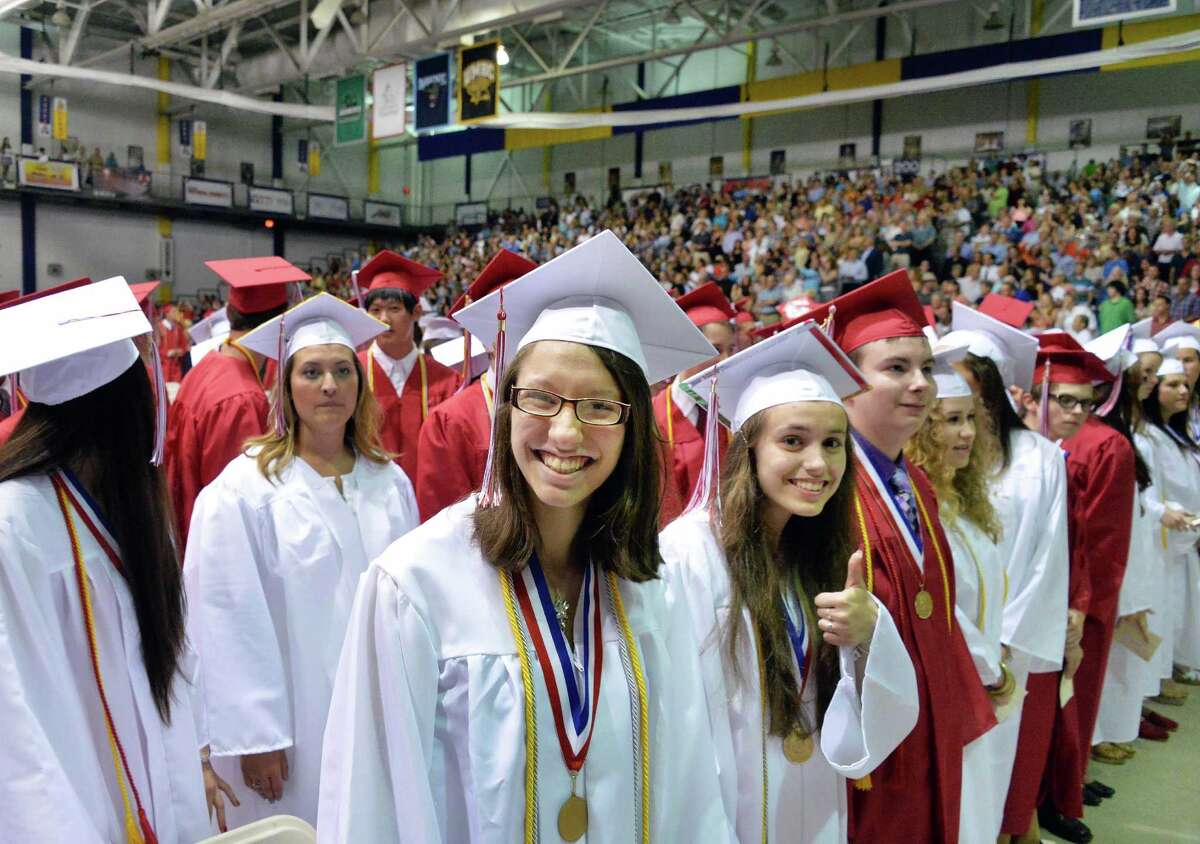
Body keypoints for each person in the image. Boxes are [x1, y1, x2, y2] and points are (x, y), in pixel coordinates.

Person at [317, 231, 732, 842]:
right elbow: (370, 803)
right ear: (505, 404)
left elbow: (690, 789)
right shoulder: (414, 586)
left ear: (631, 427)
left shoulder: (653, 587)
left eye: (599, 406)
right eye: (540, 397)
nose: (565, 433)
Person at [660, 319, 918, 842]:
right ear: (748, 449)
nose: (818, 463)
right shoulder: (690, 553)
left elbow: (876, 718)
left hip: (814, 798)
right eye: (793, 441)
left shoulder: (818, 551)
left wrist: (869, 635)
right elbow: (676, 725)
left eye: (833, 443)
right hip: (724, 814)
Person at [184, 293, 419, 829]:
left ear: (361, 386)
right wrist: (256, 735)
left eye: (342, 370)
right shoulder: (244, 491)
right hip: (296, 717)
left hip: (382, 705)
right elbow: (225, 614)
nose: (330, 385)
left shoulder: (389, 482)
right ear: (286, 387)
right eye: (311, 372)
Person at [0, 277, 212, 841]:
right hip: (74, 810)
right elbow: (14, 719)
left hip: (154, 797)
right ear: (128, 405)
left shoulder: (133, 510)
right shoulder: (13, 525)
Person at [799, 271, 996, 844]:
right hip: (866, 736)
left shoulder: (916, 483)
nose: (920, 384)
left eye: (925, 368)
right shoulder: (825, 489)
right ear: (848, 380)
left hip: (927, 714)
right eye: (896, 368)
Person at [941, 302, 1068, 844]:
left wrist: (1007, 648)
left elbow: (1047, 557)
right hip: (959, 648)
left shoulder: (1041, 457)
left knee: (994, 773)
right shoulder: (937, 465)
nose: (967, 418)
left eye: (974, 397)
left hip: (1007, 648)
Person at [907, 343, 1013, 843]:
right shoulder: (917, 507)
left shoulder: (969, 504)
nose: (967, 432)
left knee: (984, 800)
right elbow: (940, 608)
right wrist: (991, 667)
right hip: (958, 686)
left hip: (989, 680)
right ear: (923, 428)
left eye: (971, 418)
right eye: (950, 420)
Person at [1017, 334, 1117, 844]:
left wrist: (1079, 603)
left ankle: (1045, 802)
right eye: (1067, 400)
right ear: (1034, 398)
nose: (1079, 412)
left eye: (1087, 402)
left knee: (1052, 713)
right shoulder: (1017, 465)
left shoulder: (1058, 458)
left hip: (1060, 608)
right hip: (1022, 619)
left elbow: (1079, 545)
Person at [166, 256, 307, 546]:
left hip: (183, 525)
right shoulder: (241, 399)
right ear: (279, 324)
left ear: (230, 311)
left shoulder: (206, 367)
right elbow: (237, 503)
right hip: (215, 543)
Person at [414, 249, 537, 522]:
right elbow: (443, 529)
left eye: (529, 324)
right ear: (483, 339)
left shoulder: (561, 406)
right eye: (507, 325)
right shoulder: (450, 421)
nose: (520, 338)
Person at [1091, 334, 1166, 764]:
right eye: (1145, 375)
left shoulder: (1125, 438)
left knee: (1119, 660)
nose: (1151, 384)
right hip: (1110, 572)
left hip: (1130, 559)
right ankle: (1101, 734)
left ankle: (1118, 724)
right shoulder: (1107, 443)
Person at [357, 250, 459, 481]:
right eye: (375, 310)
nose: (384, 319)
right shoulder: (353, 373)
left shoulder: (446, 379)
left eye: (394, 309)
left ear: (416, 312)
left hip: (430, 503)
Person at [1138, 355, 1200, 702]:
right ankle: (1155, 681)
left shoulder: (1177, 431)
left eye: (1186, 386)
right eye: (1172, 384)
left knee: (1178, 606)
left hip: (1182, 534)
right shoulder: (1146, 435)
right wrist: (1164, 512)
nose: (1182, 391)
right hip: (1160, 535)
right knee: (1162, 608)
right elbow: (1148, 490)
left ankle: (1167, 670)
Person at [654, 282, 738, 523]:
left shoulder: (734, 413)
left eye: (731, 349)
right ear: (689, 348)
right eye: (716, 349)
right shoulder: (653, 415)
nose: (726, 359)